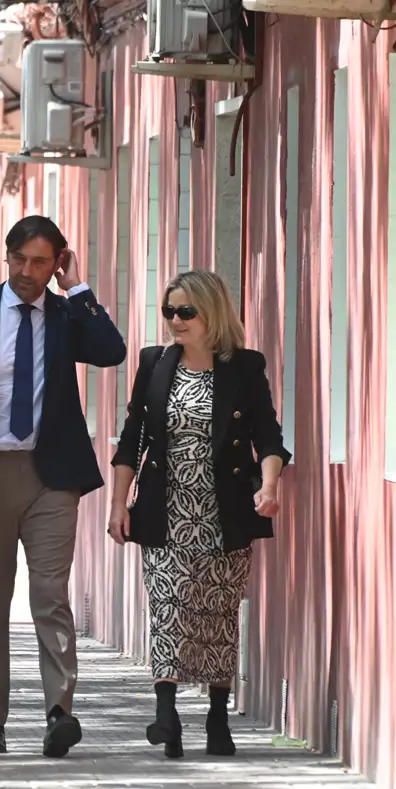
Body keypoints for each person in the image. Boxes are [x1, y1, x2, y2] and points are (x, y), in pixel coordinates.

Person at [0, 215, 126, 758]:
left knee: (49, 596)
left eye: (40, 262)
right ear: (7, 256)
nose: (26, 271)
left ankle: (58, 712)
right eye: (18, 259)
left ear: (57, 262)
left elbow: (111, 351)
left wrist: (79, 289)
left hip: (51, 479)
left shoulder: (67, 315)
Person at [107, 270, 289, 759]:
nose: (175, 321)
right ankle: (166, 715)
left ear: (212, 313)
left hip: (223, 511)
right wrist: (118, 504)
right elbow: (133, 441)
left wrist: (269, 486)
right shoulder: (154, 364)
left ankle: (216, 717)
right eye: (169, 311)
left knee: (216, 615)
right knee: (168, 606)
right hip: (165, 510)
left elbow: (269, 440)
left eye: (186, 311)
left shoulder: (245, 368)